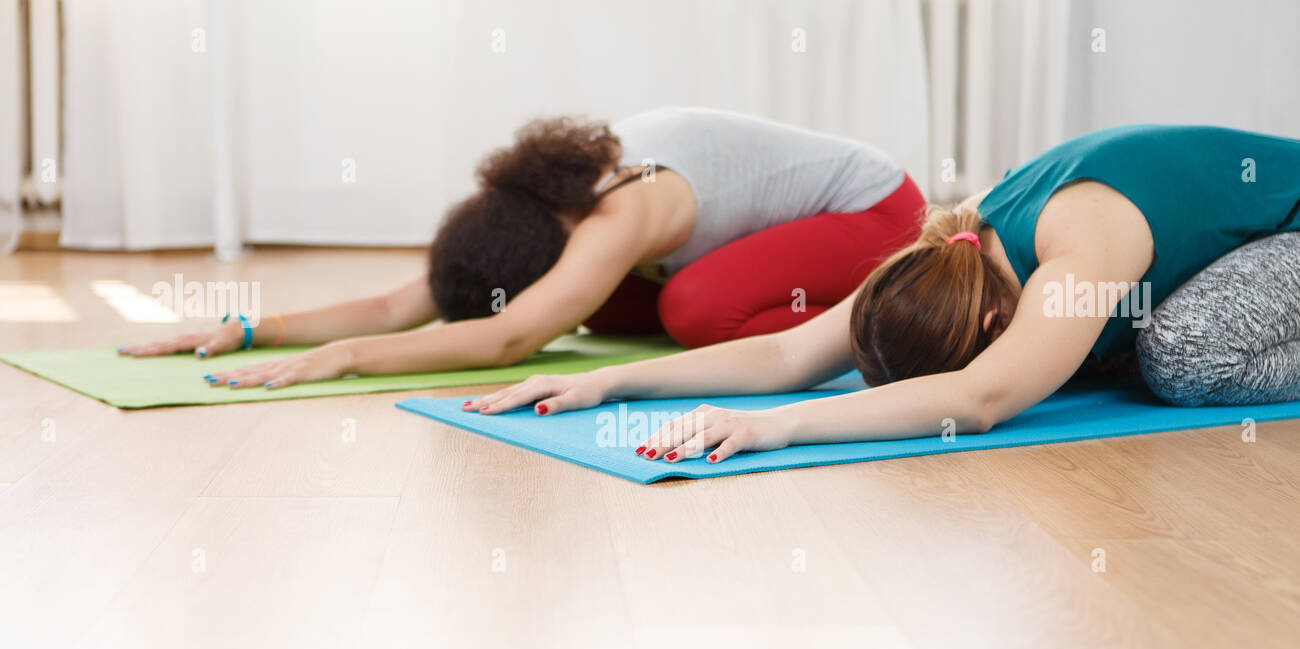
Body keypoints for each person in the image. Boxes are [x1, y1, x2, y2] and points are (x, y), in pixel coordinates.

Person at [465, 125, 1300, 463]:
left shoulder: (1084, 244)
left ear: (993, 321)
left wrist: (773, 428)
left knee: (1181, 356)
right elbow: (794, 350)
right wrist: (608, 382)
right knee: (1104, 354)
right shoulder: (945, 247)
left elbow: (978, 397)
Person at [120, 107, 924, 390]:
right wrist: (259, 327)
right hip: (772, 232)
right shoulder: (531, 207)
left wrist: (348, 358)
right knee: (609, 305)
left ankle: (888, 312)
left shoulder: (617, 214)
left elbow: (510, 335)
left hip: (875, 213)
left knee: (692, 309)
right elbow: (404, 303)